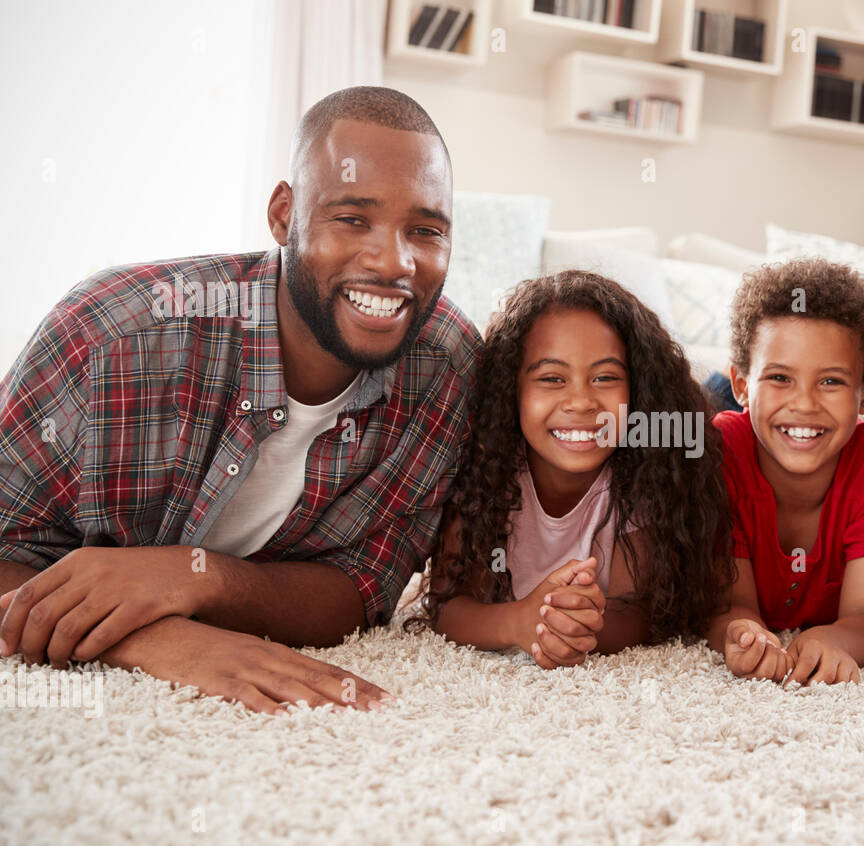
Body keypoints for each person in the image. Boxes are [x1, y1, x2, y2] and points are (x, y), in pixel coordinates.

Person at [0, 86, 478, 714]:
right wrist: (161, 640)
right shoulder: (112, 332)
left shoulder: (446, 365)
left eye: (424, 230)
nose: (394, 262)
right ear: (284, 214)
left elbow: (362, 589)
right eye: (352, 219)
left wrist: (189, 575)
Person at [406, 271, 732, 666]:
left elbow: (640, 612)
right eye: (552, 378)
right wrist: (520, 622)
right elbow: (448, 607)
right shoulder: (484, 474)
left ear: (639, 390)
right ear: (512, 389)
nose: (581, 402)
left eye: (605, 377)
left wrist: (577, 624)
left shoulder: (645, 478)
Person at [707, 258, 864, 686]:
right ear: (742, 385)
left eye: (831, 382)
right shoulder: (721, 449)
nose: (804, 404)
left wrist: (835, 639)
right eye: (780, 377)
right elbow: (727, 606)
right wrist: (743, 635)